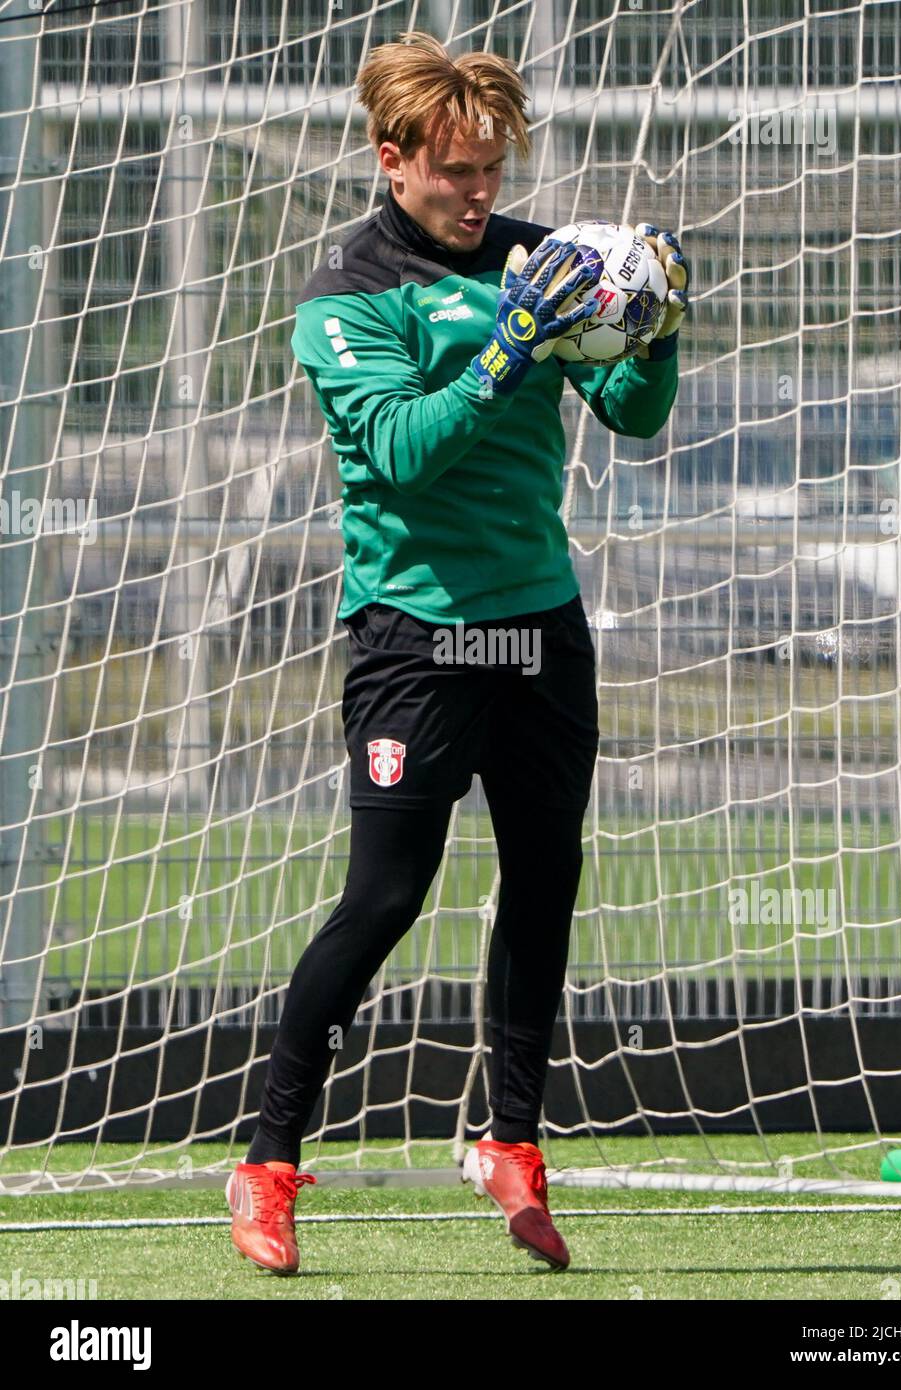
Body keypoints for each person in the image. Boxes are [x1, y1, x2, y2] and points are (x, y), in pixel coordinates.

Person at [226, 29, 687, 1275]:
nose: (481, 193)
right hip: (413, 637)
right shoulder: (344, 299)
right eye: (456, 173)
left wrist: (655, 333)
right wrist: (508, 348)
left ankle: (512, 1146)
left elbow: (636, 419)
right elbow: (407, 451)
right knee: (383, 896)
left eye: (493, 169)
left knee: (545, 880)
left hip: (540, 624)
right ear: (393, 161)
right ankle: (267, 1162)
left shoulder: (543, 262)